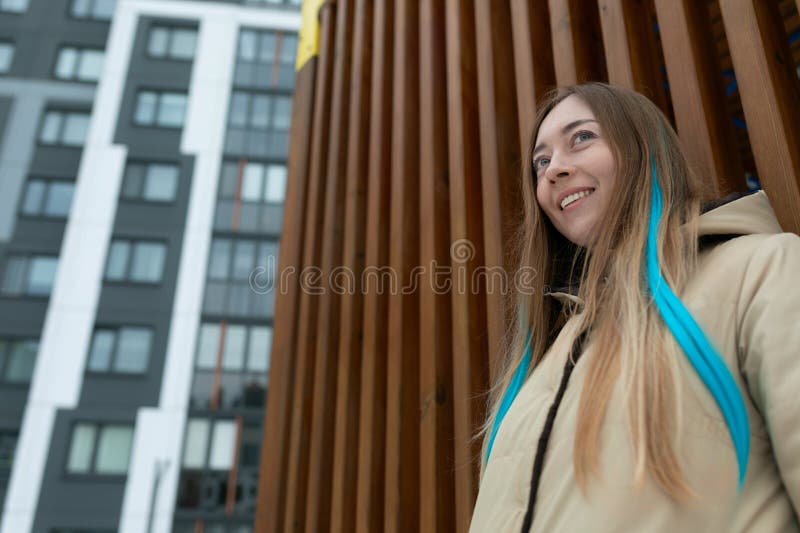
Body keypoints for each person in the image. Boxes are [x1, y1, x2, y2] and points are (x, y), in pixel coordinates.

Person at [469, 83, 800, 532]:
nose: (552, 171)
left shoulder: (760, 269)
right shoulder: (543, 361)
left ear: (642, 148)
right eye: (540, 162)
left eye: (581, 137)